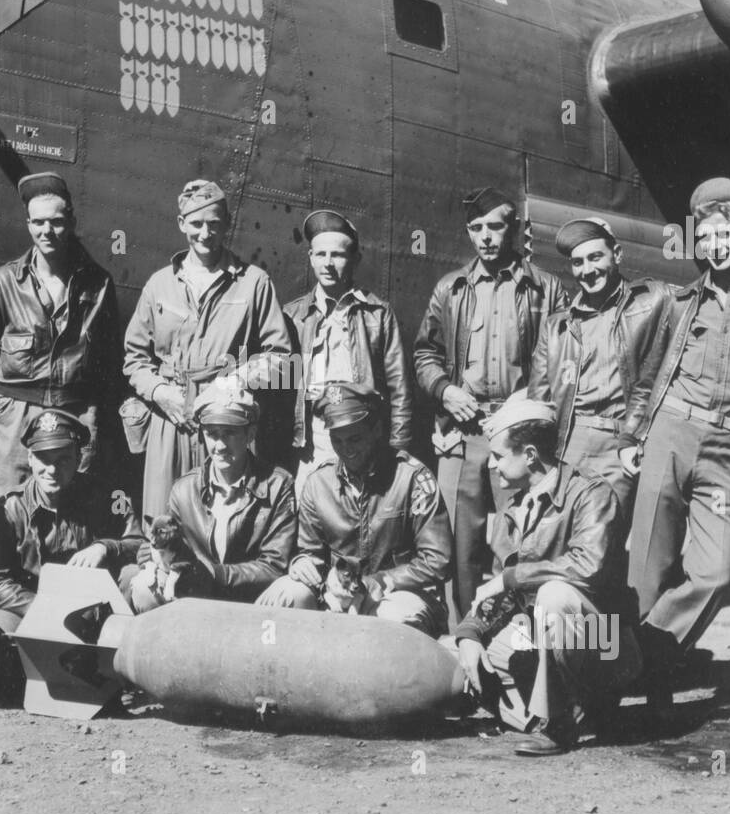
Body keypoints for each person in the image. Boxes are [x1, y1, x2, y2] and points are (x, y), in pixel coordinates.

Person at [623, 177, 730, 711]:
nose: (716, 244)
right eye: (707, 237)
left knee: (715, 573)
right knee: (647, 571)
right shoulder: (679, 301)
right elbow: (648, 372)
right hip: (670, 434)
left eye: (727, 233)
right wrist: (635, 435)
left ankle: (633, 656)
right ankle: (651, 687)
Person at [452, 396, 642, 756]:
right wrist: (470, 632)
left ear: (529, 455)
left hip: (607, 639)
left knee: (556, 597)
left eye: (498, 456)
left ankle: (558, 723)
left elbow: (588, 566)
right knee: (467, 655)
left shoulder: (592, 493)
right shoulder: (512, 508)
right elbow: (500, 593)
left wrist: (513, 577)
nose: (491, 465)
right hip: (545, 635)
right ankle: (561, 712)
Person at [414, 186, 568, 626]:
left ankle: (510, 640)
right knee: (458, 543)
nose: (485, 237)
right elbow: (425, 353)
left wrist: (527, 404)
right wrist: (445, 390)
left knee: (516, 539)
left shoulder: (547, 289)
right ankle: (464, 639)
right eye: (476, 228)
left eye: (495, 226)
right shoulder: (451, 289)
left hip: (518, 433)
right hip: (463, 433)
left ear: (515, 229)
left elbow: (560, 358)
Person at [122, 178, 293, 521]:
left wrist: (232, 383)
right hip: (170, 417)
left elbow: (282, 358)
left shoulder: (253, 282)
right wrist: (159, 392)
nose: (205, 233)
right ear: (181, 223)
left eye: (214, 224)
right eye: (196, 224)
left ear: (227, 224)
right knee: (164, 518)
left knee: (223, 516)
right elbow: (134, 358)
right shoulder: (160, 284)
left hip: (225, 420)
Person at [0, 409, 144, 703]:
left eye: (63, 459)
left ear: (79, 459)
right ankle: (14, 671)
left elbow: (138, 543)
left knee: (134, 577)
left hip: (92, 612)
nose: (52, 470)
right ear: (29, 459)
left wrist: (104, 546)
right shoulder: (8, 508)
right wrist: (45, 608)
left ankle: (122, 676)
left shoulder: (108, 496)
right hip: (32, 610)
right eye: (43, 459)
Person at [0, 171, 124, 507]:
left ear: (72, 222)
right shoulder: (3, 283)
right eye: (38, 222)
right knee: (8, 514)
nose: (47, 231)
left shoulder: (99, 285)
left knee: (72, 520)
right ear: (28, 224)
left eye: (57, 222)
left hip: (75, 416)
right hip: (12, 423)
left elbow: (112, 368)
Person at [256, 383, 452, 637]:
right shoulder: (318, 484)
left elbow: (437, 561)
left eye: (355, 438)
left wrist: (382, 580)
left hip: (397, 594)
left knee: (393, 618)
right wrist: (303, 563)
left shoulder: (412, 478)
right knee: (284, 595)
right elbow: (311, 551)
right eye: (337, 440)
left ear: (377, 430)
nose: (346, 449)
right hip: (338, 595)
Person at [527, 216, 675, 515]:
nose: (587, 270)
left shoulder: (654, 300)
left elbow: (708, 296)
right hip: (568, 441)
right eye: (578, 262)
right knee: (560, 537)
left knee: (602, 541)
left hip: (619, 440)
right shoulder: (557, 327)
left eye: (596, 257)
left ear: (617, 255)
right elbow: (539, 397)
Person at [120, 378, 296, 611]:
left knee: (294, 592)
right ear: (202, 434)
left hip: (252, 602)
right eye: (212, 434)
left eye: (230, 433)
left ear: (250, 434)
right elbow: (170, 545)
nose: (220, 445)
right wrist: (154, 553)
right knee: (142, 583)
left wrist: (215, 573)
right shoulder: (184, 489)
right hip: (194, 598)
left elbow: (274, 565)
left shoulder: (277, 485)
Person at [282, 208, 414, 495]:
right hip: (312, 442)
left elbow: (399, 388)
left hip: (363, 440)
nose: (327, 264)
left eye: (338, 255)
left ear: (355, 259)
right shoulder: (292, 316)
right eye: (320, 254)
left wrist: (399, 451)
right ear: (310, 258)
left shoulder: (377, 314)